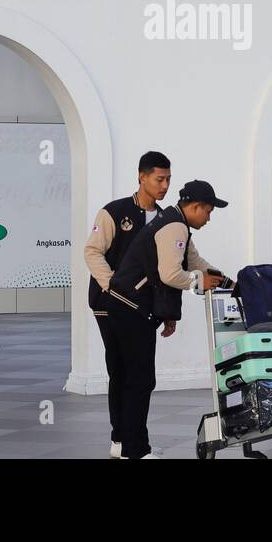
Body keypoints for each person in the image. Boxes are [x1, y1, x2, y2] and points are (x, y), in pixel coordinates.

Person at [107, 179, 232, 459]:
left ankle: (123, 445)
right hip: (130, 309)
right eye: (208, 211)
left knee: (129, 379)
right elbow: (171, 274)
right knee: (140, 381)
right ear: (195, 206)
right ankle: (136, 451)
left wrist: (226, 280)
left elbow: (194, 261)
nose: (209, 218)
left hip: (123, 306)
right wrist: (201, 282)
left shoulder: (175, 222)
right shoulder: (175, 226)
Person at [83, 150, 170, 459]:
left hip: (143, 310)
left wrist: (168, 312)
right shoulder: (114, 212)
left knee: (128, 373)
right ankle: (130, 443)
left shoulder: (163, 219)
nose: (164, 186)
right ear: (142, 177)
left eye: (168, 180)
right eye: (159, 179)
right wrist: (113, 285)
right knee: (124, 371)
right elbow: (93, 251)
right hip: (109, 304)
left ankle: (123, 440)